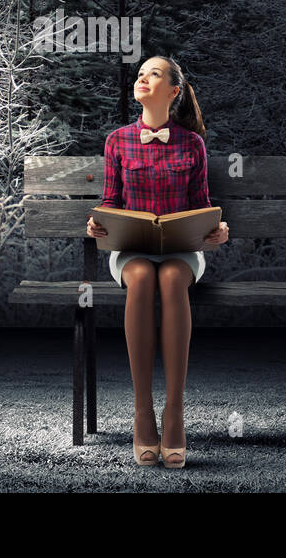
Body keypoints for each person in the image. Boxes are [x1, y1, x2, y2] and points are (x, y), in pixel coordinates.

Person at [86, 55, 229, 468]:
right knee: (143, 275)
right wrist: (98, 222)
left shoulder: (192, 144)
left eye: (153, 74)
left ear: (173, 91)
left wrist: (216, 232)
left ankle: (175, 414)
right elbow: (111, 201)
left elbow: (202, 207)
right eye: (139, 74)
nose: (142, 79)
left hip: (182, 253)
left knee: (169, 277)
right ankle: (142, 413)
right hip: (131, 250)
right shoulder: (118, 140)